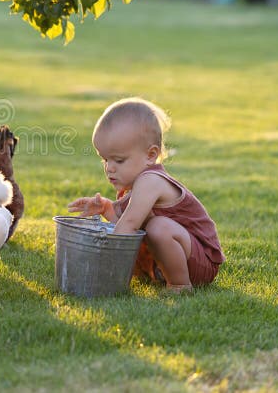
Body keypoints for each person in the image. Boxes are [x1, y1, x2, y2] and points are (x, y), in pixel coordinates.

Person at [67, 97, 224, 292]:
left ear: (151, 155)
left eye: (119, 160)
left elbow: (129, 224)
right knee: (142, 229)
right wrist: (106, 208)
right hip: (179, 255)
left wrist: (104, 264)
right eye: (105, 159)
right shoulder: (134, 186)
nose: (109, 168)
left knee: (158, 227)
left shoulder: (151, 181)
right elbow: (124, 221)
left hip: (200, 262)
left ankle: (180, 285)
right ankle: (158, 273)